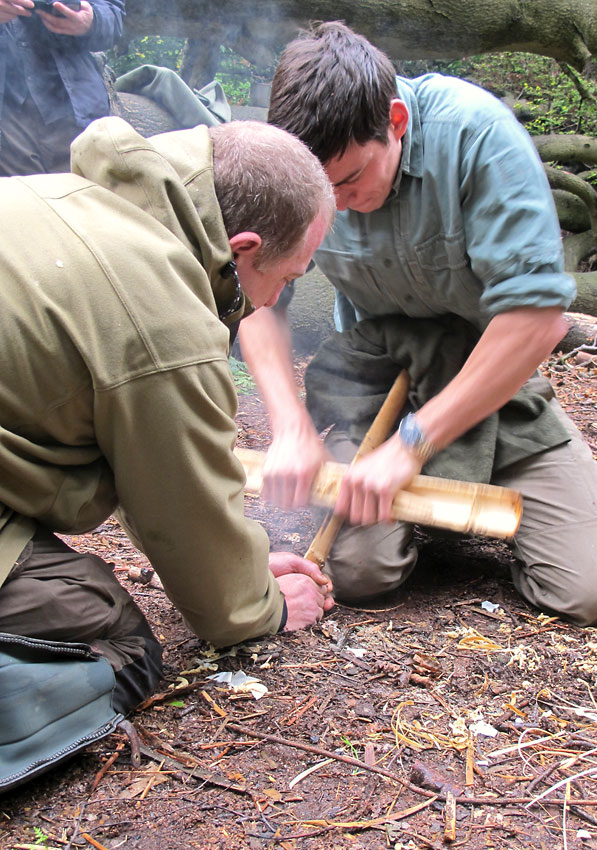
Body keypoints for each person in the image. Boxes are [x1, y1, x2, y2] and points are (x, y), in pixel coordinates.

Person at [238, 21, 597, 628]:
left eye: (349, 180)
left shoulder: (478, 138)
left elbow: (536, 322)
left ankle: (569, 524)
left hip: (490, 386)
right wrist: (291, 425)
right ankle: (432, 515)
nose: (336, 206)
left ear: (396, 121)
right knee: (358, 576)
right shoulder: (293, 168)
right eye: (322, 189)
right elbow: (258, 296)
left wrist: (415, 444)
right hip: (373, 386)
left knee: (596, 593)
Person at [0, 115, 335, 790]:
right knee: (109, 638)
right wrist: (260, 605)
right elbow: (184, 519)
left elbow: (146, 468)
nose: (273, 301)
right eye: (287, 278)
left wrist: (237, 558)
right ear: (242, 249)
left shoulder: (64, 198)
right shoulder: (160, 316)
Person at [0, 0, 124, 176]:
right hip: (8, 120)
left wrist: (92, 21)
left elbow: (114, 16)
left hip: (74, 106)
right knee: (21, 200)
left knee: (90, 198)